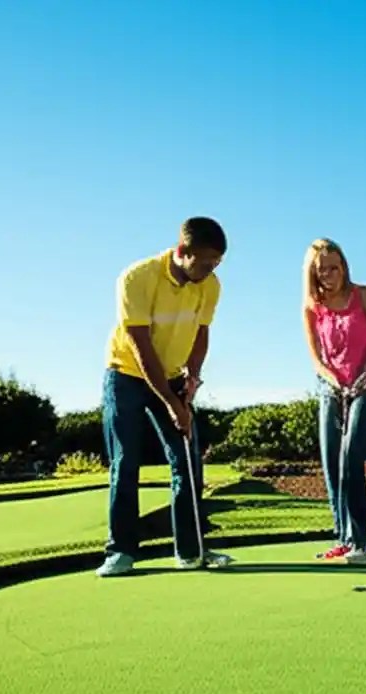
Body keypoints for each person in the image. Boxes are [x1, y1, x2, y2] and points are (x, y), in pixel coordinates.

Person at [96, 217, 234, 577]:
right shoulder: (136, 278)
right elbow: (141, 347)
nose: (210, 270)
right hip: (125, 373)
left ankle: (190, 550)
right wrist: (173, 405)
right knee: (125, 461)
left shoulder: (210, 285)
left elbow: (201, 333)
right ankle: (121, 552)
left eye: (217, 263)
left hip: (172, 375)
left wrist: (192, 375)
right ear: (182, 252)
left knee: (187, 460)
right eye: (205, 262)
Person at [302, 238, 366, 565]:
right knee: (332, 461)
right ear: (313, 273)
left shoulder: (365, 296)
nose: (328, 274)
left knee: (351, 457)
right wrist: (334, 381)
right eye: (321, 269)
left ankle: (359, 544)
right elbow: (316, 359)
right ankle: (343, 537)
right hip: (331, 387)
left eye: (334, 267)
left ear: (344, 267)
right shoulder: (312, 308)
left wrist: (363, 375)